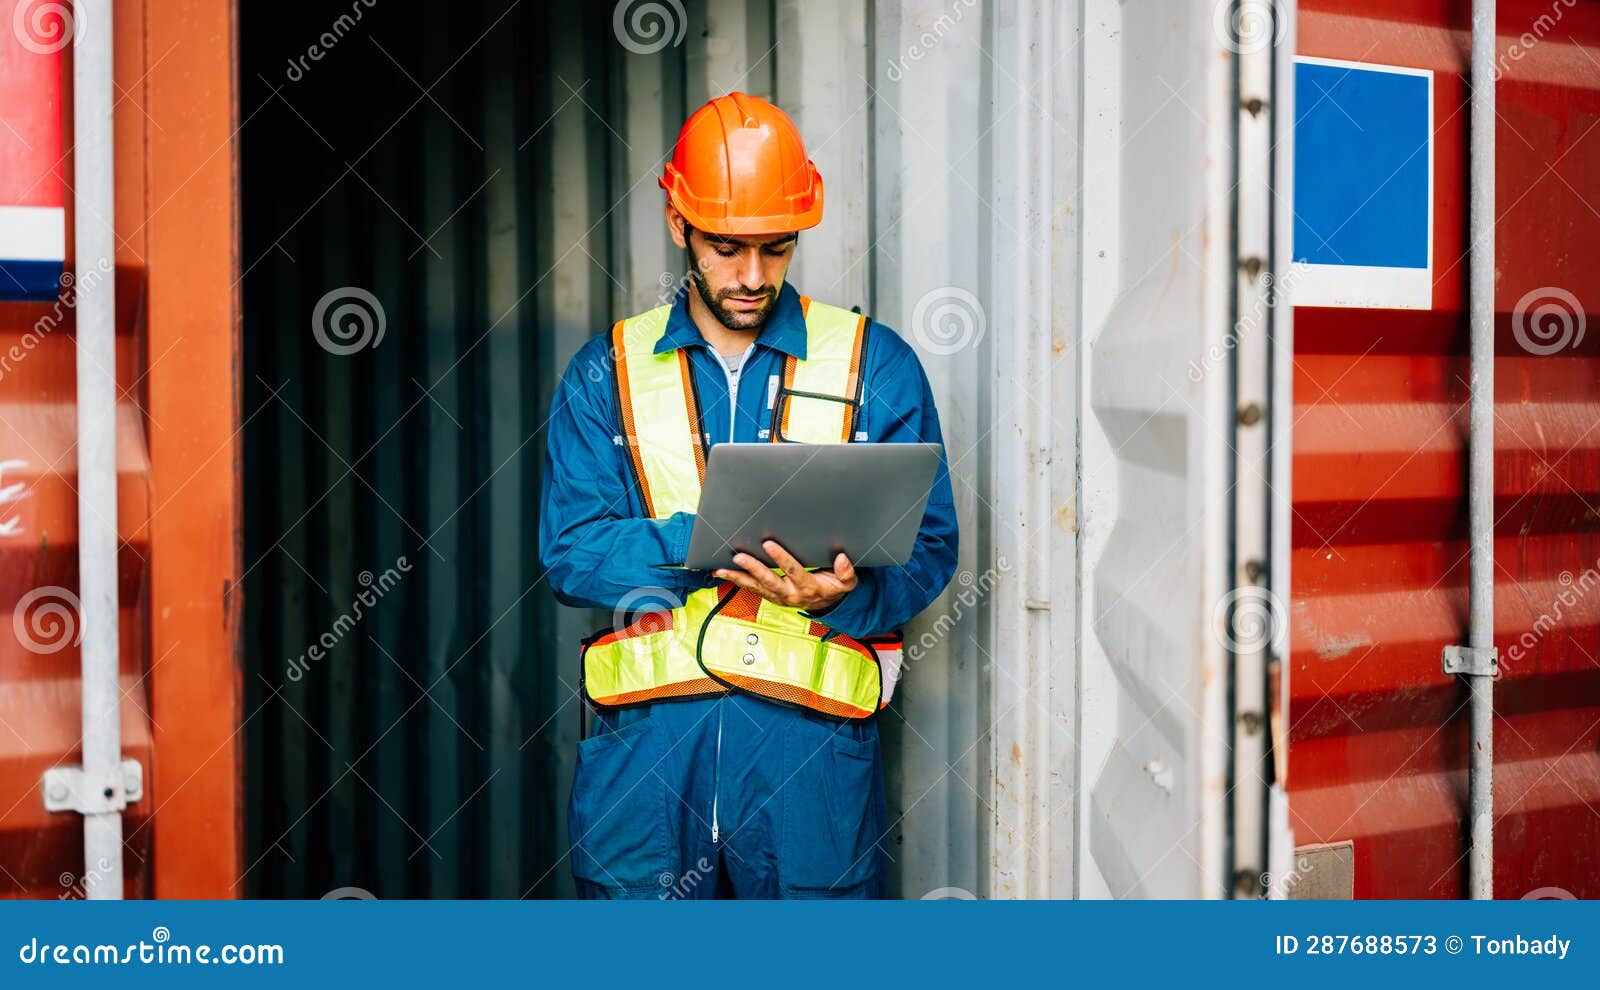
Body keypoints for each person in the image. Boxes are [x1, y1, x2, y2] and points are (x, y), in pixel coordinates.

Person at [539, 91, 958, 899]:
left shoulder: (877, 363)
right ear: (678, 225)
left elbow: (930, 547)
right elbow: (572, 553)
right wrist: (709, 540)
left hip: (809, 768)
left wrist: (842, 595)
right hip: (648, 769)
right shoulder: (609, 371)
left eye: (776, 248)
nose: (752, 276)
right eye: (727, 248)